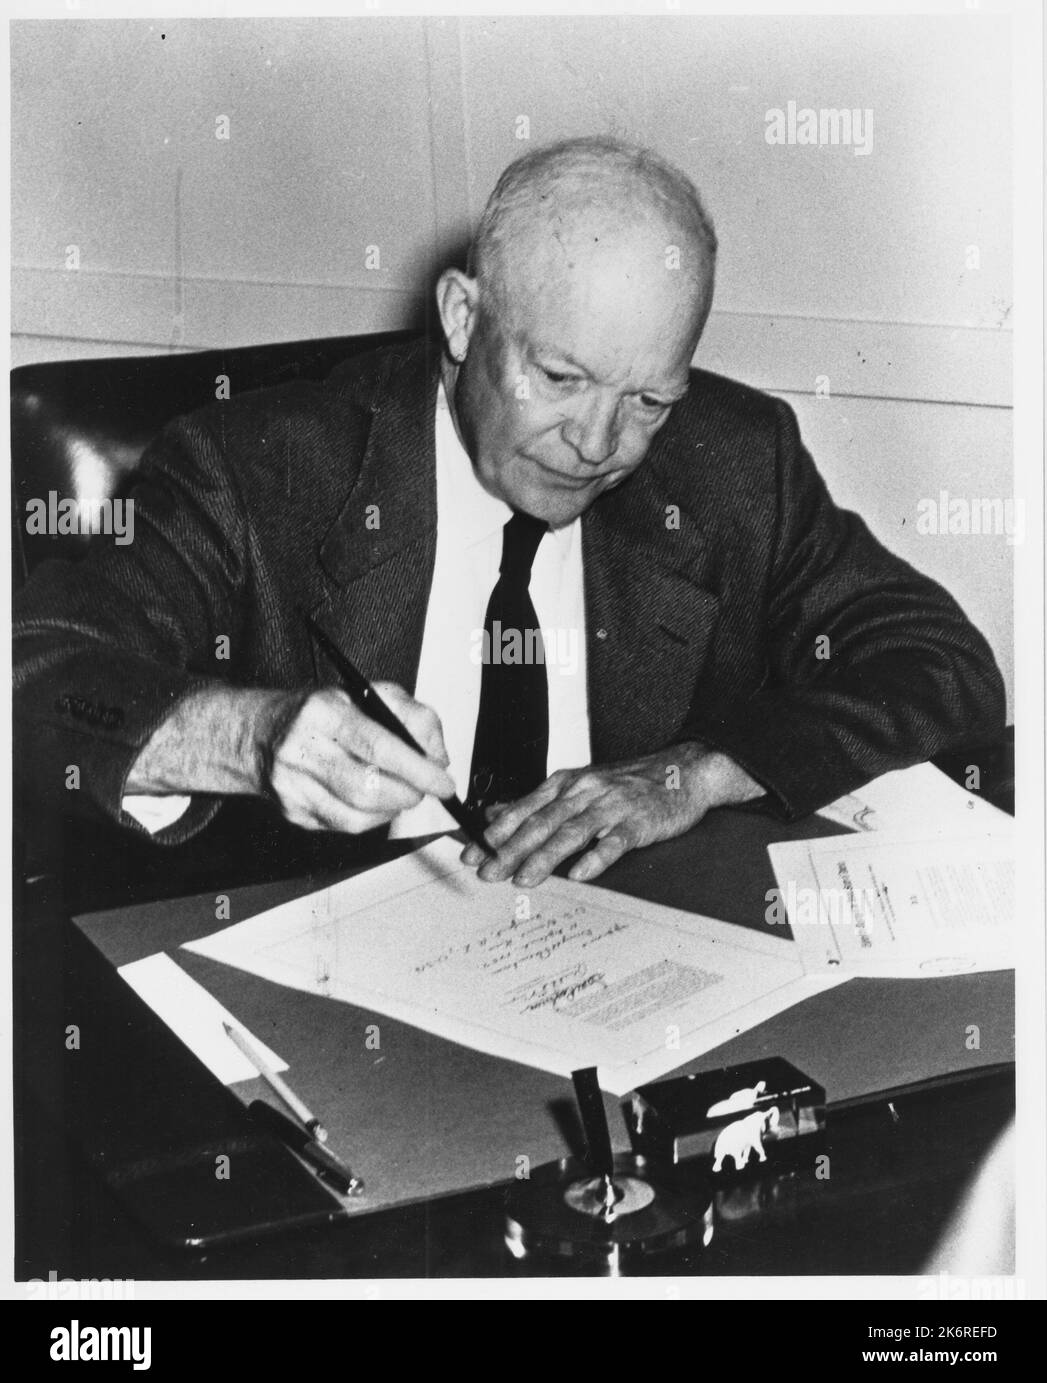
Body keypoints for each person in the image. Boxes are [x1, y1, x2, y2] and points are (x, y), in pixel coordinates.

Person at [14, 136, 1005, 890]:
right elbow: (36, 670)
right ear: (461, 318)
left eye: (649, 400)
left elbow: (939, 664)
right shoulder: (257, 470)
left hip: (626, 986)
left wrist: (694, 774)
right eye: (560, 376)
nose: (599, 443)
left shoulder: (734, 465)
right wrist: (255, 738)